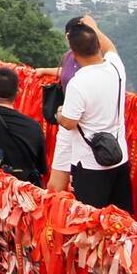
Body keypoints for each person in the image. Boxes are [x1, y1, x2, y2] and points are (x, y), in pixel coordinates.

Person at [56, 19, 131, 211]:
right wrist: (95, 27)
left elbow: (69, 123)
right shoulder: (116, 68)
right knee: (120, 218)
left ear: (74, 54)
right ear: (98, 44)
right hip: (119, 157)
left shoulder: (78, 83)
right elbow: (111, 48)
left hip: (90, 164)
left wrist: (59, 114)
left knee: (88, 219)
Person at [40, 15, 115, 192]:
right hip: (69, 124)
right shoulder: (70, 57)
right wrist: (44, 71)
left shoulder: (92, 65)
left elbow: (68, 122)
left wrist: (60, 113)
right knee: (56, 182)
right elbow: (65, 73)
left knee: (83, 179)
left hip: (83, 125)